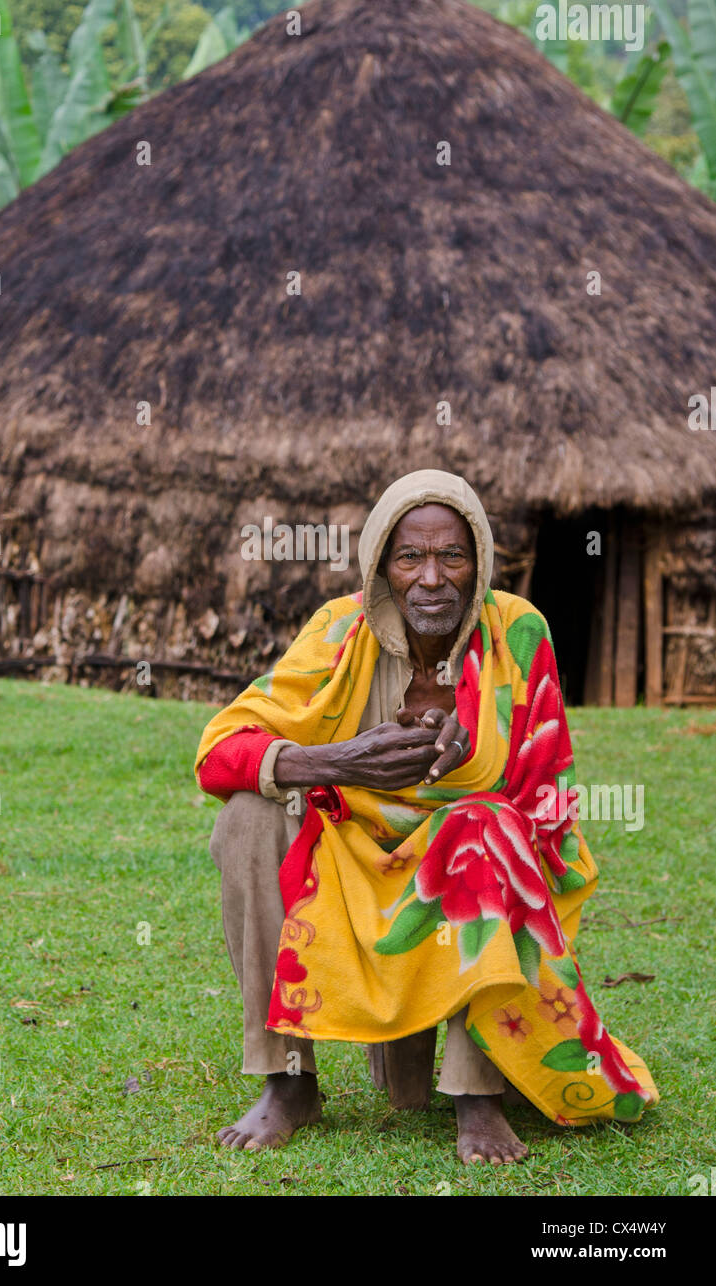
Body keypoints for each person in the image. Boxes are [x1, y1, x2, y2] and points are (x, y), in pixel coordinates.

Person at [196, 470, 658, 1163]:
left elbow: (547, 801)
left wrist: (478, 767)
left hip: (466, 872)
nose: (432, 578)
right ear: (381, 565)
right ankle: (287, 1084)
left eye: (452, 556)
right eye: (409, 557)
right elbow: (221, 753)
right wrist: (342, 761)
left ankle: (477, 1094)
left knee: (486, 829)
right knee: (245, 819)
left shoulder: (518, 633)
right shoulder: (338, 631)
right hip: (351, 860)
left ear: (481, 563)